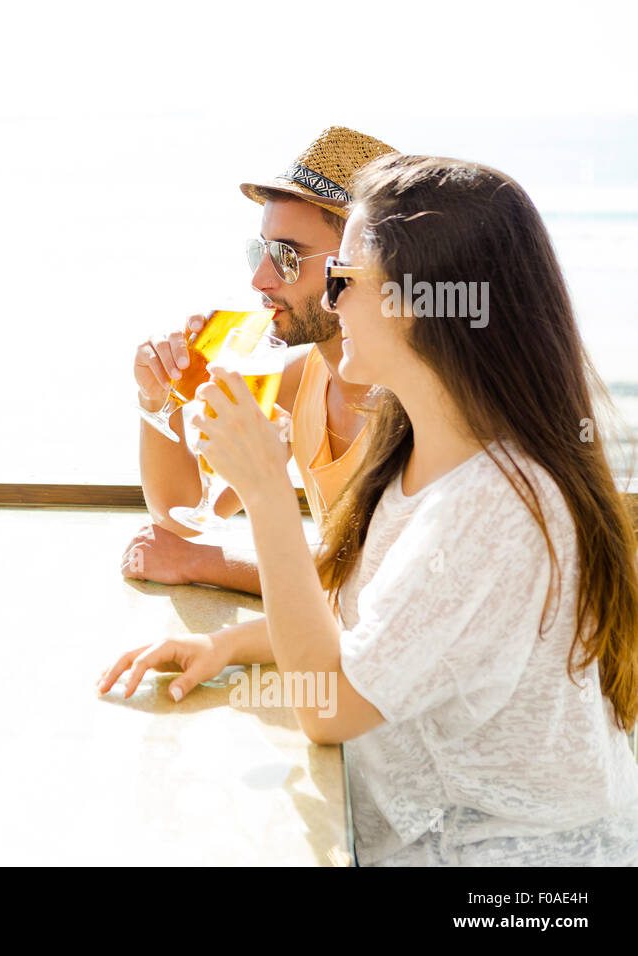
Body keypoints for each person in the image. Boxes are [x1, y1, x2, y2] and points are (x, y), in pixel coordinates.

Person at [102, 153, 638, 865]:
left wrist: (264, 491)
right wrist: (226, 646)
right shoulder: (413, 444)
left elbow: (332, 711)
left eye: (342, 279)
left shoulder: (497, 505)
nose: (328, 302)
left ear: (419, 302)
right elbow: (367, 623)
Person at [125, 126, 395, 594]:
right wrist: (156, 399)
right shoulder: (298, 380)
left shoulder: (421, 402)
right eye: (262, 251)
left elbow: (378, 580)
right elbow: (183, 519)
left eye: (287, 256)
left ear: (363, 263)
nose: (259, 279)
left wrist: (203, 563)